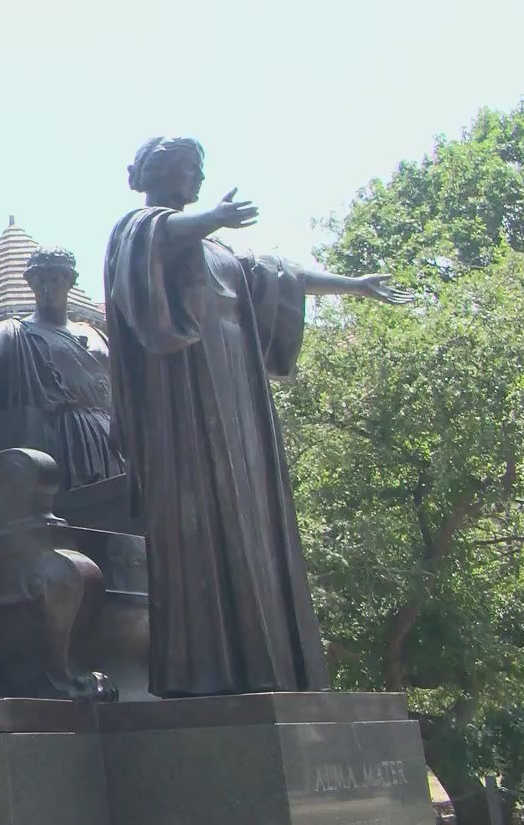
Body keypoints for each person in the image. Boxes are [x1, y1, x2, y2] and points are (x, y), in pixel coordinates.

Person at [105, 137, 413, 697]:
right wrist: (210, 217)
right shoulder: (138, 230)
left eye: (200, 169)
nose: (197, 178)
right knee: (200, 518)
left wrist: (353, 287)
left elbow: (279, 276)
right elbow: (162, 238)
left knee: (258, 519)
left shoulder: (216, 248)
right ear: (156, 173)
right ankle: (206, 671)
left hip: (239, 391)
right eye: (187, 168)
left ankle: (273, 666)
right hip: (183, 398)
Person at [0, 245, 122, 489]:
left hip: (110, 446)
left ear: (70, 281)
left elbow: (126, 391)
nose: (46, 289)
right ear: (30, 283)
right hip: (58, 449)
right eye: (39, 282)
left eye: (54, 280)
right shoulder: (12, 332)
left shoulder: (97, 335)